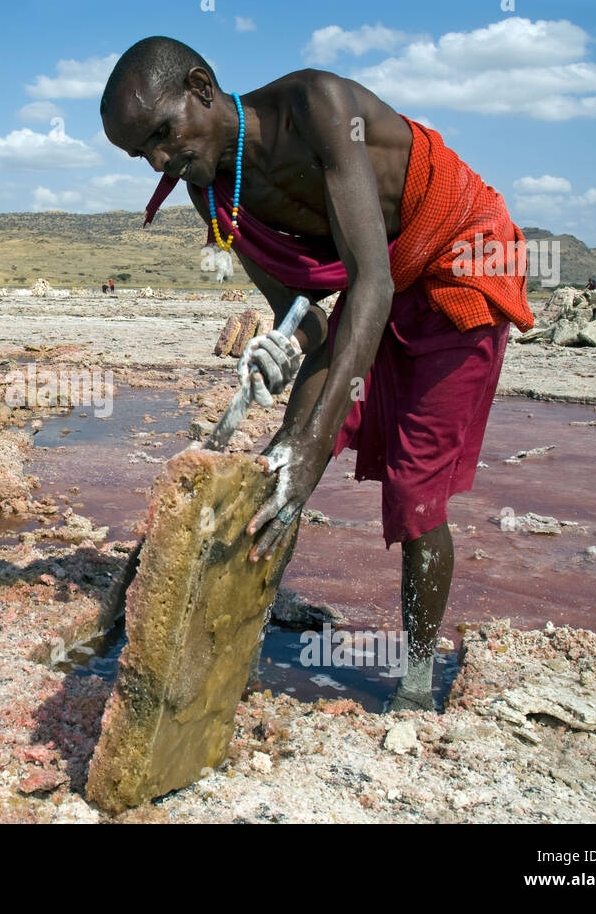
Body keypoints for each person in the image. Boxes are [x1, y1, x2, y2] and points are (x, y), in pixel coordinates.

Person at [101, 37, 534, 711]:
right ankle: (231, 647)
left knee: (414, 483)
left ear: (202, 86)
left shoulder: (317, 107)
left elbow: (368, 282)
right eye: (142, 154)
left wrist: (310, 444)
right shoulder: (211, 189)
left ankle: (416, 683)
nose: (161, 159)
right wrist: (279, 349)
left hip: (454, 257)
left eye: (163, 132)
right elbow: (305, 317)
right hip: (380, 283)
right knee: (279, 462)